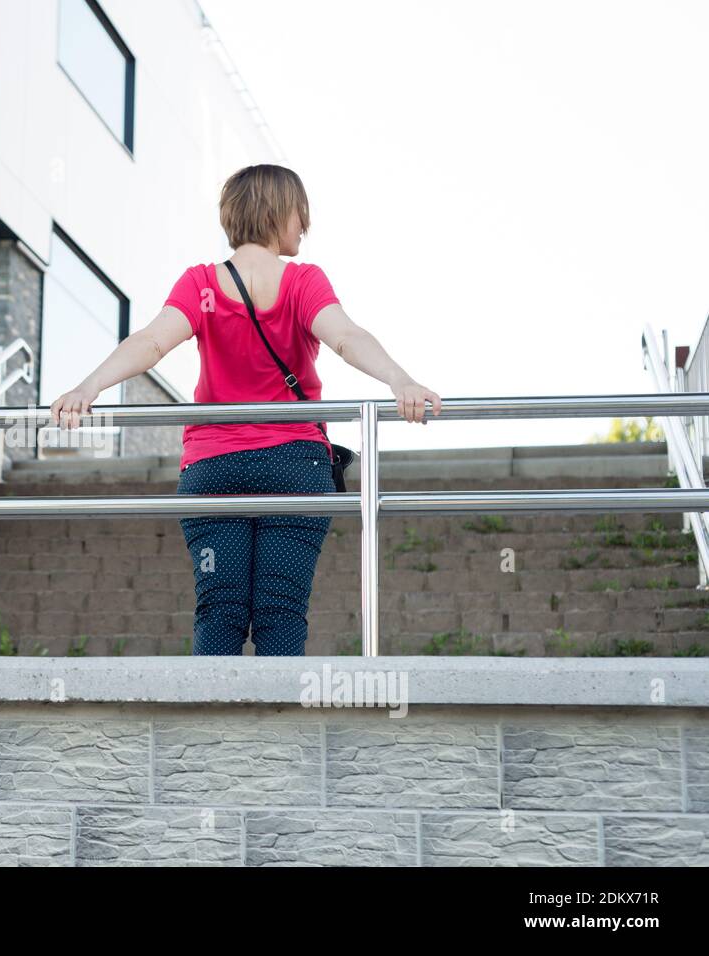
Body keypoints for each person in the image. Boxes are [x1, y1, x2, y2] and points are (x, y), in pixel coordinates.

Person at [50, 163, 441, 656]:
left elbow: (150, 342)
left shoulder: (200, 284)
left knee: (219, 609)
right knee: (281, 610)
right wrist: (399, 381)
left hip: (214, 469)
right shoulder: (302, 282)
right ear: (279, 213)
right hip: (294, 467)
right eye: (301, 213)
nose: (306, 225)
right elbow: (346, 338)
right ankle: (282, 731)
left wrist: (90, 386)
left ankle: (210, 727)